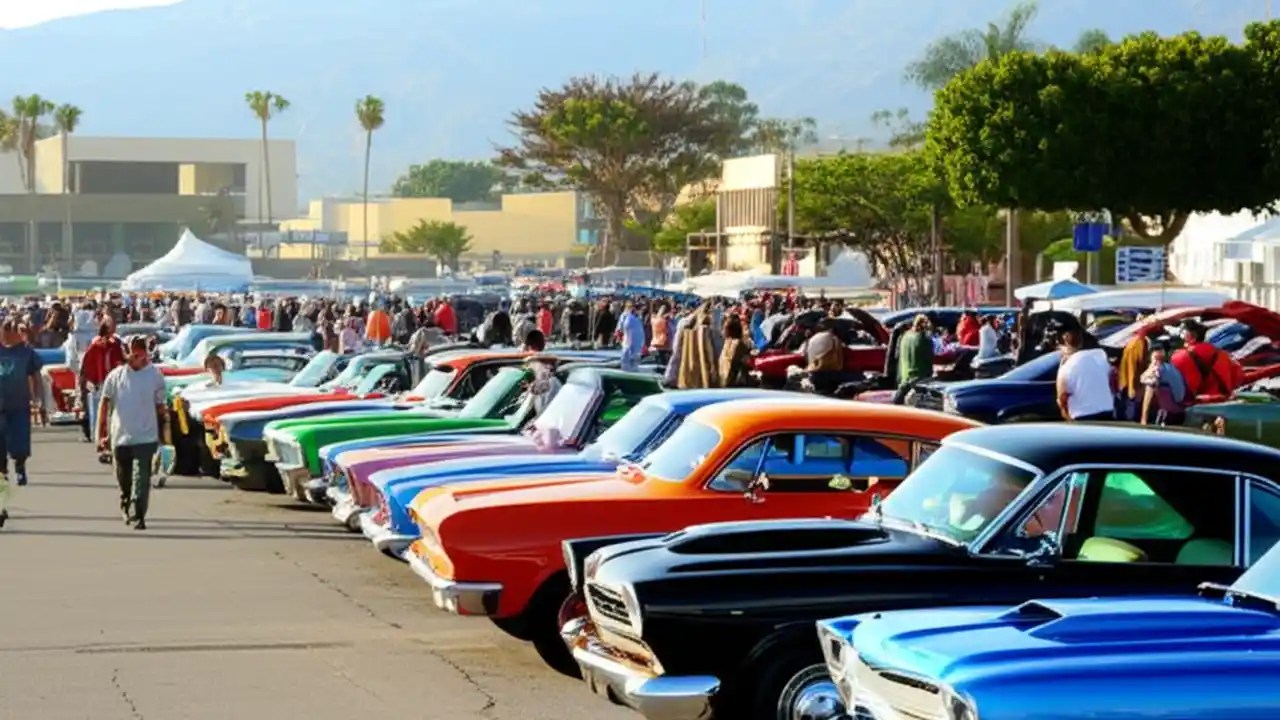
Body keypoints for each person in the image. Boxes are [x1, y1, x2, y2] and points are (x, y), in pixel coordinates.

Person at [97, 335, 168, 530]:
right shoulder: (115, 376)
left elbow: (161, 407)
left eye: (141, 349)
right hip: (120, 437)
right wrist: (100, 435)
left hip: (146, 436)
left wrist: (166, 437)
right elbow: (104, 406)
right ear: (126, 352)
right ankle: (126, 502)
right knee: (124, 479)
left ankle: (138, 514)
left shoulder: (155, 375)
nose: (137, 354)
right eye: (133, 350)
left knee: (142, 478)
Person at [0, 319, 44, 528]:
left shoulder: (26, 352)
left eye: (13, 329)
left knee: (19, 447)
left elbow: (36, 377)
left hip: (18, 408)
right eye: (5, 328)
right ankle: (0, 505)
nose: (9, 332)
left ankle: (20, 464)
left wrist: (40, 400)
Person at [1170, 319, 1244, 400]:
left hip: (1196, 404)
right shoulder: (1221, 353)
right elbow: (1238, 376)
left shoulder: (1179, 357)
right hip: (1222, 401)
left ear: (1188, 335)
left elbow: (1176, 386)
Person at [1055, 327, 1114, 422]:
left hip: (1083, 415)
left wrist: (1067, 417)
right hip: (1106, 409)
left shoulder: (1066, 368)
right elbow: (1112, 378)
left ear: (1065, 343)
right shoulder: (1100, 355)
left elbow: (1061, 398)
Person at [1140, 339, 1189, 426]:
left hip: (1168, 415)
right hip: (1180, 413)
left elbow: (1149, 393)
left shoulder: (1157, 370)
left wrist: (1143, 420)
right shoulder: (1172, 368)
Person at [893, 314, 934, 405]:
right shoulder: (924, 339)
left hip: (904, 378)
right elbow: (929, 359)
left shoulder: (905, 336)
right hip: (919, 379)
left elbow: (898, 356)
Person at [719, 314, 751, 387]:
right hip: (732, 383)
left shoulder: (729, 343)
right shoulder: (738, 343)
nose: (722, 331)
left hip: (726, 382)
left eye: (724, 329)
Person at [618, 300, 646, 372]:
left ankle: (633, 369)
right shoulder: (625, 316)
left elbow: (640, 329)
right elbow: (621, 327)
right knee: (626, 355)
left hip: (636, 339)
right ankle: (626, 370)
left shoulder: (637, 317)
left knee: (634, 356)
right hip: (629, 338)